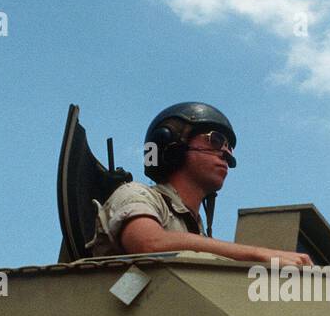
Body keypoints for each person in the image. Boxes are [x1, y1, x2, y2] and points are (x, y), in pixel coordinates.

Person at [86, 102, 312, 266]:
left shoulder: (195, 232)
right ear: (171, 143)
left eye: (229, 148)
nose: (226, 153)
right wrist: (257, 254)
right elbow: (149, 243)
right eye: (215, 140)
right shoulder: (136, 194)